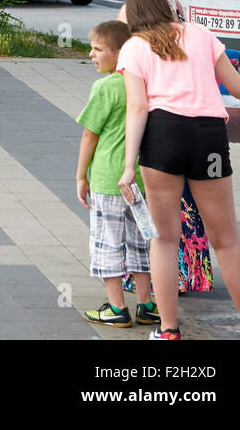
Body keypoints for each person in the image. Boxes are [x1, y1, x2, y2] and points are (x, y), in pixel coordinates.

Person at [117, 0, 240, 340]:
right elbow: (235, 86)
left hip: (162, 137)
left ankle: (168, 331)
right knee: (226, 239)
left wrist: (127, 166)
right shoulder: (200, 34)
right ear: (166, 7)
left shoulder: (134, 48)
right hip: (208, 137)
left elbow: (137, 108)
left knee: (164, 239)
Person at [115, 0, 211, 297]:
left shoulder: (174, 7)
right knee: (159, 207)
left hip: (179, 117)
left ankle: (183, 274)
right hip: (151, 119)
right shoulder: (131, 13)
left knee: (185, 201)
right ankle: (150, 275)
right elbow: (123, 66)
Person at [75, 20, 156, 328]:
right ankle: (146, 305)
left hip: (108, 180)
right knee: (140, 242)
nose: (92, 55)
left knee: (107, 243)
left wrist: (81, 176)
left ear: (120, 53)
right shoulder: (144, 84)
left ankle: (116, 308)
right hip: (138, 178)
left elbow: (89, 135)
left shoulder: (105, 87)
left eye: (98, 49)